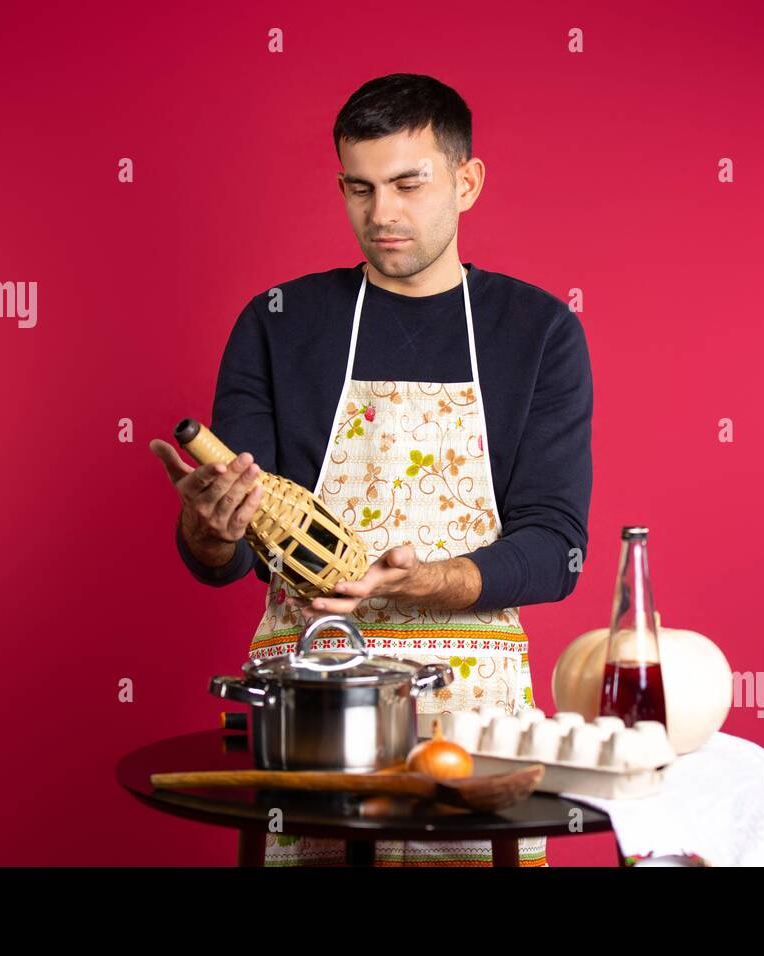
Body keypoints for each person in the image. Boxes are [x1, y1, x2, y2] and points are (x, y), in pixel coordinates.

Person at [150, 73, 592, 866]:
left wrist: (417, 581)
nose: (381, 214)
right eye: (359, 187)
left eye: (407, 184)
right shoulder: (277, 322)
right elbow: (228, 558)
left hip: (472, 717)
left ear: (467, 181)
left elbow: (556, 547)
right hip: (308, 704)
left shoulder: (539, 331)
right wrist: (207, 528)